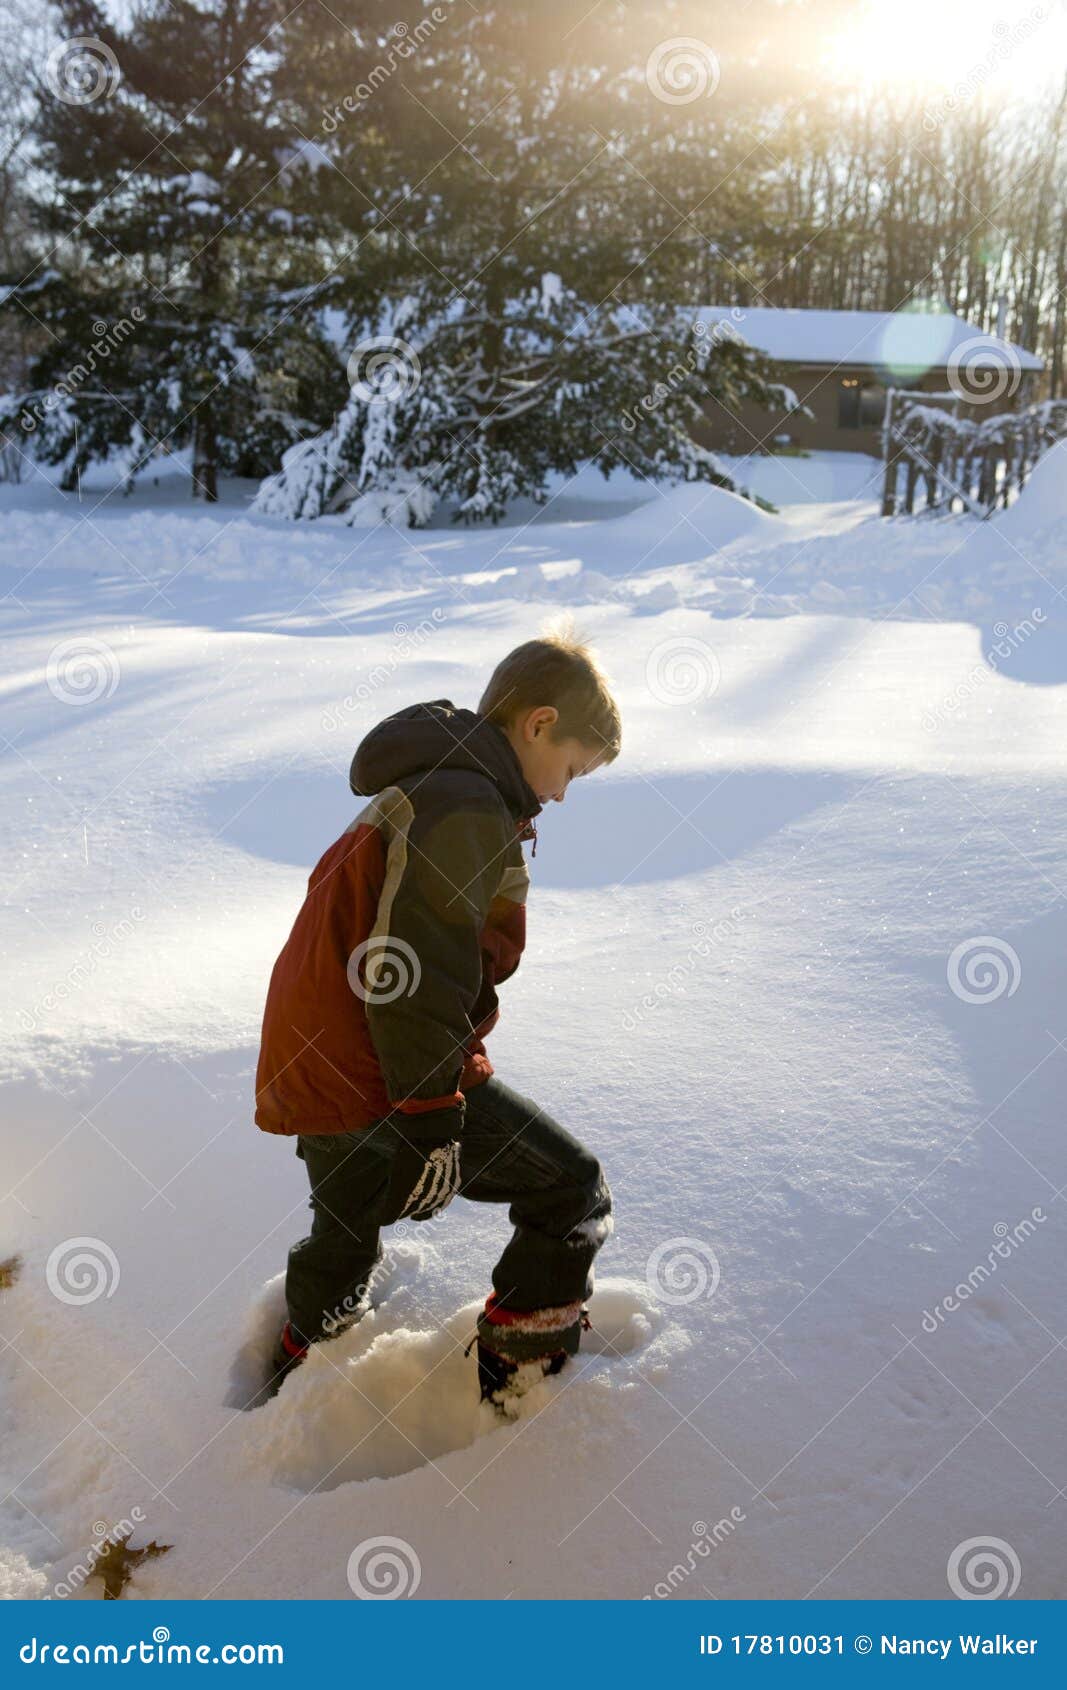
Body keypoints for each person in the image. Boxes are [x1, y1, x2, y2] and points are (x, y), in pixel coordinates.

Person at [254, 621, 619, 1407]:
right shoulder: (464, 804)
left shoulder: (427, 783)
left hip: (318, 1056)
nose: (559, 792)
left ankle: (291, 1373)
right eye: (570, 769)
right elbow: (408, 971)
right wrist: (429, 1115)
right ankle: (520, 1382)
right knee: (571, 1191)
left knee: (346, 1232)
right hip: (381, 1067)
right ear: (538, 722)